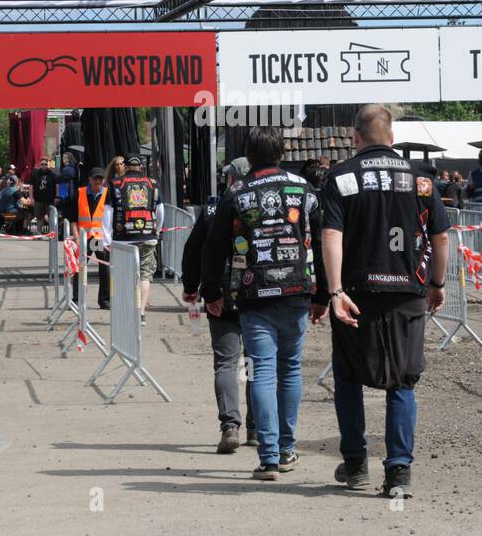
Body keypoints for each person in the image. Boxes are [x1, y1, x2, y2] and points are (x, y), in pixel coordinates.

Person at [319, 104, 449, 499]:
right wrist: (437, 283)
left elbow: (330, 236)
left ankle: (356, 463)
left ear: (355, 138)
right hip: (407, 293)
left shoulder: (340, 178)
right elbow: (441, 237)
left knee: (347, 376)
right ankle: (398, 472)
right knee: (403, 381)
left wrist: (335, 291)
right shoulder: (422, 180)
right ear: (392, 139)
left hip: (357, 294)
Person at [201, 130, 326, 480]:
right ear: (282, 152)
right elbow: (319, 239)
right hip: (297, 290)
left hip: (254, 293)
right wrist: (324, 293)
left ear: (248, 155)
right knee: (291, 370)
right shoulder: (304, 189)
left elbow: (214, 247)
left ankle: (268, 458)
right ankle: (287, 450)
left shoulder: (236, 193)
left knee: (262, 369)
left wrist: (211, 291)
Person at [182, 157, 256, 454]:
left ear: (232, 178)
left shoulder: (214, 207)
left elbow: (193, 249)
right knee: (255, 363)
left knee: (226, 361)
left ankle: (230, 427)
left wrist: (191, 287)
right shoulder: (267, 199)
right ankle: (257, 428)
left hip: (222, 294)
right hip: (259, 292)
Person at [101, 154, 163, 325]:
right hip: (147, 234)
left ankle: (127, 310)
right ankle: (141, 312)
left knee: (123, 275)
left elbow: (107, 213)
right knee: (145, 275)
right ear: (141, 167)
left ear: (126, 167)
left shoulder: (115, 184)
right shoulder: (153, 184)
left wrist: (106, 239)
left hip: (123, 238)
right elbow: (160, 211)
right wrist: (156, 230)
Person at [65, 167, 111, 310]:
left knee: (105, 269)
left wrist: (109, 239)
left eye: (100, 179)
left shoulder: (108, 195)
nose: (98, 182)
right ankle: (77, 299)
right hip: (83, 237)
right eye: (95, 179)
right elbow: (73, 219)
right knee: (79, 268)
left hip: (99, 237)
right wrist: (77, 238)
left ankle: (104, 300)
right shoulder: (79, 194)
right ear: (89, 179)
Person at [31, 158, 56, 232]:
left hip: (50, 199)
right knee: (39, 218)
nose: (44, 166)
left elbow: (57, 185)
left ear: (48, 165)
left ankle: (53, 233)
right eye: (42, 164)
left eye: (45, 164)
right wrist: (31, 197)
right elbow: (31, 186)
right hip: (38, 199)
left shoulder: (52, 174)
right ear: (40, 165)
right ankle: (39, 233)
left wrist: (57, 196)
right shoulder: (35, 174)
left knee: (51, 217)